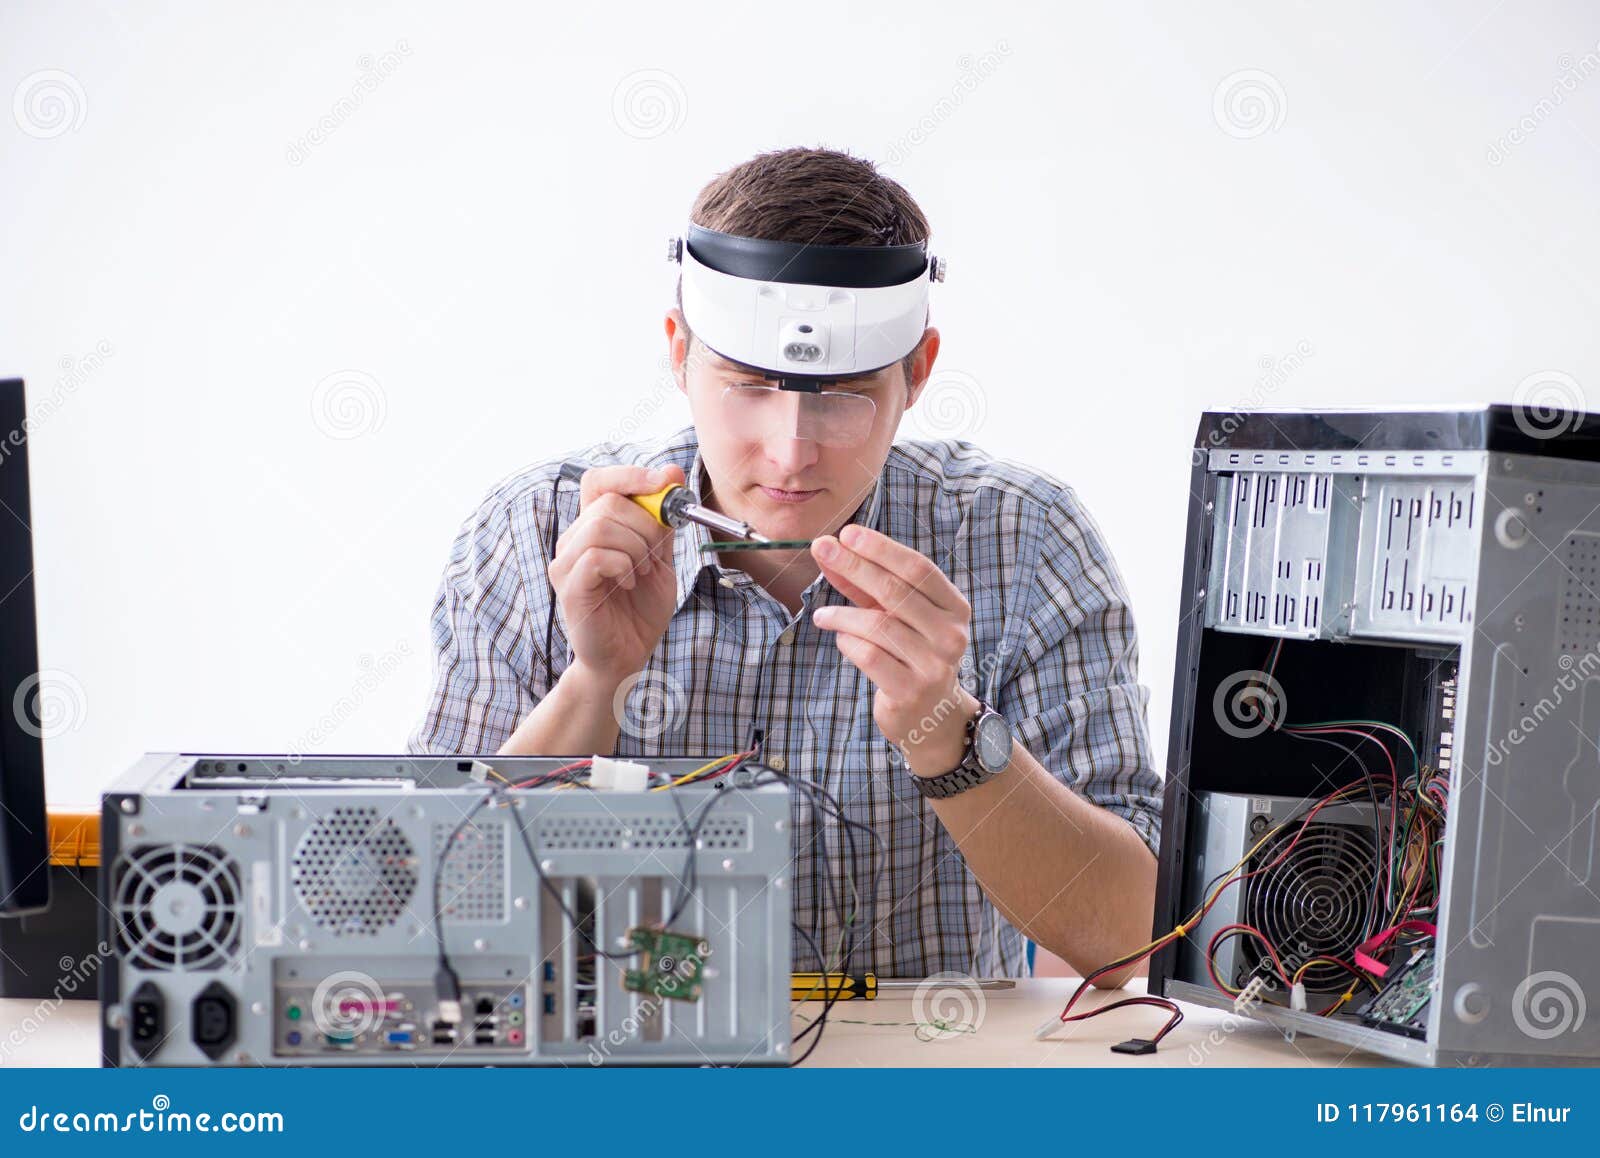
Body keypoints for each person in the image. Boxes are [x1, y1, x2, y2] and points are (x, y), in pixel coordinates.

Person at [410, 146, 1162, 983]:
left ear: (918, 373)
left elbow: (1129, 937)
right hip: (612, 1052)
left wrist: (947, 731)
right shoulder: (534, 530)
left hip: (920, 1057)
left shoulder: (1024, 538)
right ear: (678, 352)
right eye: (749, 386)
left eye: (842, 396)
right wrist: (595, 683)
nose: (792, 452)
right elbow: (434, 919)